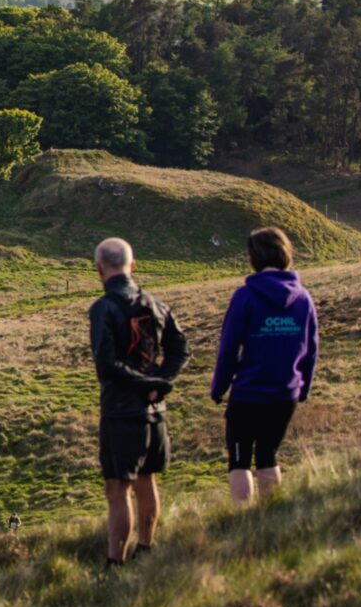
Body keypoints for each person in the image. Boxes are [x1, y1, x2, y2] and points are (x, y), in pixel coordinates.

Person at [90, 237, 189, 566]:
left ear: (100, 269)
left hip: (120, 412)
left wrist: (148, 384)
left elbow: (106, 366)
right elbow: (180, 348)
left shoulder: (104, 309)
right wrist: (160, 383)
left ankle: (115, 561)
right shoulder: (156, 305)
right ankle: (146, 549)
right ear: (133, 266)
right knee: (147, 481)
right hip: (154, 411)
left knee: (118, 490)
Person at [210, 227, 319, 505]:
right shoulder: (303, 297)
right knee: (268, 454)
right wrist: (303, 387)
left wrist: (219, 387)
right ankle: (270, 516)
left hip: (249, 392)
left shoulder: (245, 296)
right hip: (286, 393)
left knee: (240, 460)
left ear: (254, 258)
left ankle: (243, 521)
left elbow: (229, 347)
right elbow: (311, 347)